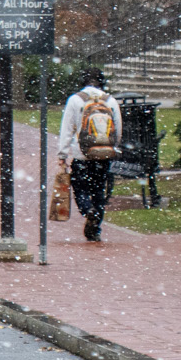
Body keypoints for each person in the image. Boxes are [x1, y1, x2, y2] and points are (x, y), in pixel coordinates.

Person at [57, 66, 124, 242]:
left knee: (80, 187)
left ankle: (88, 211)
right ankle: (96, 228)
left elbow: (67, 128)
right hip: (104, 154)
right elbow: (118, 129)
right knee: (99, 190)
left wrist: (63, 154)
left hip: (82, 154)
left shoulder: (75, 100)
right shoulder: (110, 101)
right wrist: (112, 146)